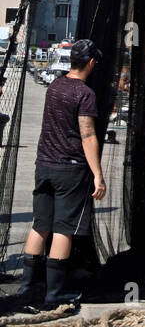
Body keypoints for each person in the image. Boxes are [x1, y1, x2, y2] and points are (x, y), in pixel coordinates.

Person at [15, 37, 106, 308]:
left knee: (39, 224)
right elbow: (87, 135)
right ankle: (53, 293)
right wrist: (98, 174)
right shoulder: (84, 94)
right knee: (62, 229)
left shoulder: (54, 86)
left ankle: (27, 287)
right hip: (70, 170)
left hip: (44, 165)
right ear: (90, 63)